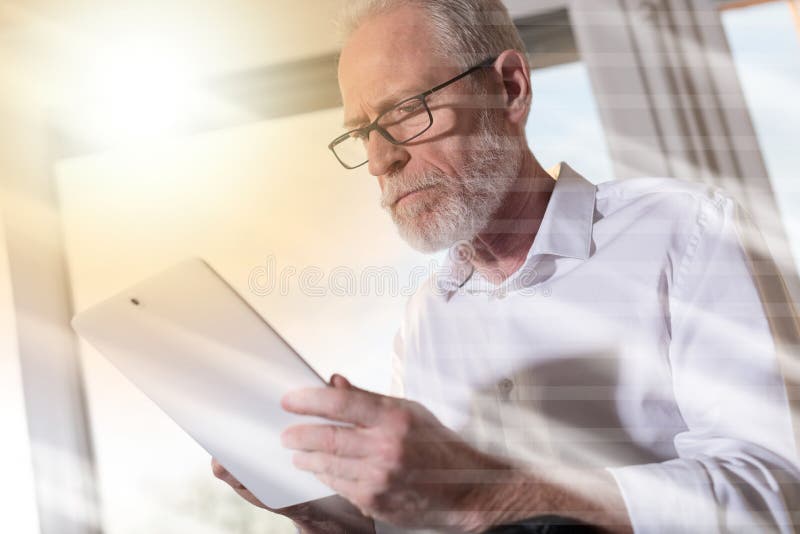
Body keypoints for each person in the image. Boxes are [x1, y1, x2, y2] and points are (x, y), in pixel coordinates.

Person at [212, 0, 800, 532]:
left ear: (511, 89)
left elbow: (778, 494)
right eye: (362, 132)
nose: (380, 159)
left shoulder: (685, 230)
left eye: (408, 111)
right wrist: (326, 514)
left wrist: (489, 496)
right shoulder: (424, 320)